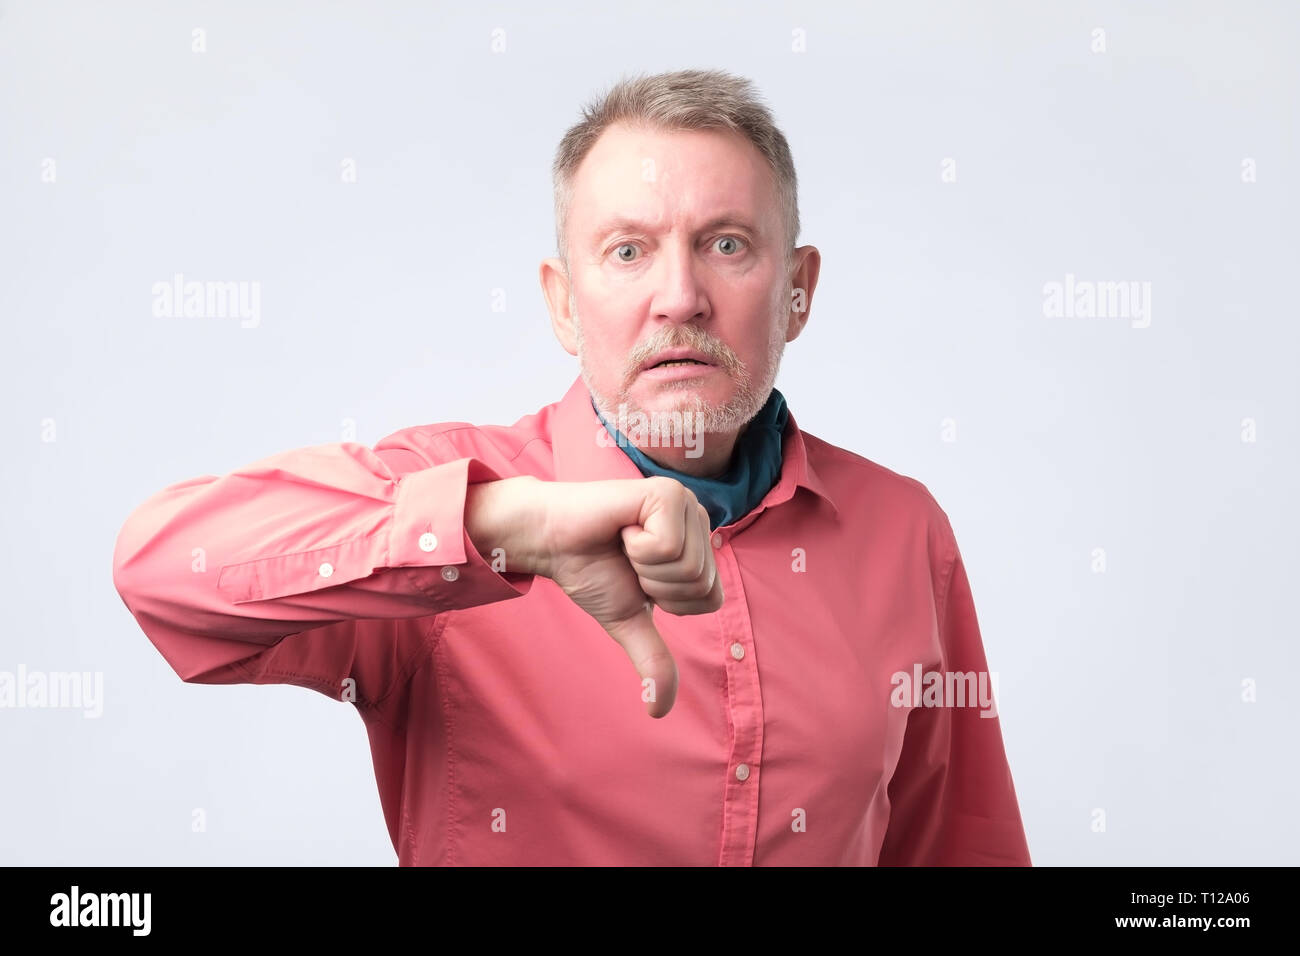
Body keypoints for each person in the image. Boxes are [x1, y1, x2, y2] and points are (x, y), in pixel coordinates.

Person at [112, 68, 1032, 866]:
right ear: (562, 304)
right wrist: (498, 529)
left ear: (798, 291)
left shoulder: (906, 531)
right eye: (628, 251)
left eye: (726, 244)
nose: (680, 298)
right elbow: (161, 569)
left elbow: (961, 848)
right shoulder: (449, 494)